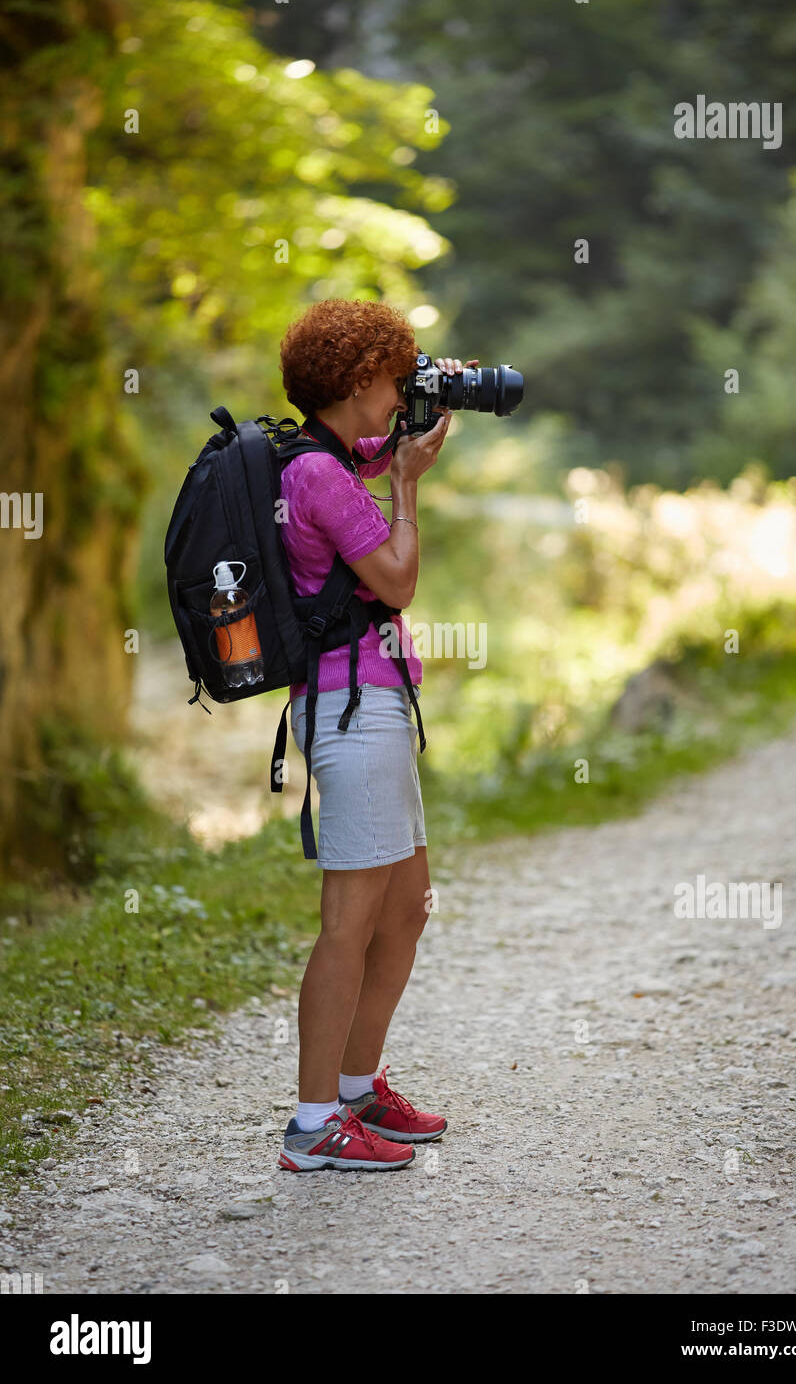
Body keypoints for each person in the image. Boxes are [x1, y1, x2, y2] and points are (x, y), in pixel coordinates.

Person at [275, 297, 475, 1172]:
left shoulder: (322, 457)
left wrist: (428, 418)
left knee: (404, 911)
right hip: (353, 712)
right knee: (349, 924)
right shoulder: (318, 475)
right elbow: (393, 582)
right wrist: (404, 486)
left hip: (375, 705)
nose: (402, 396)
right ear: (359, 381)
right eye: (396, 380)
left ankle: (358, 1090)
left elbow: (379, 447)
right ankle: (313, 1127)